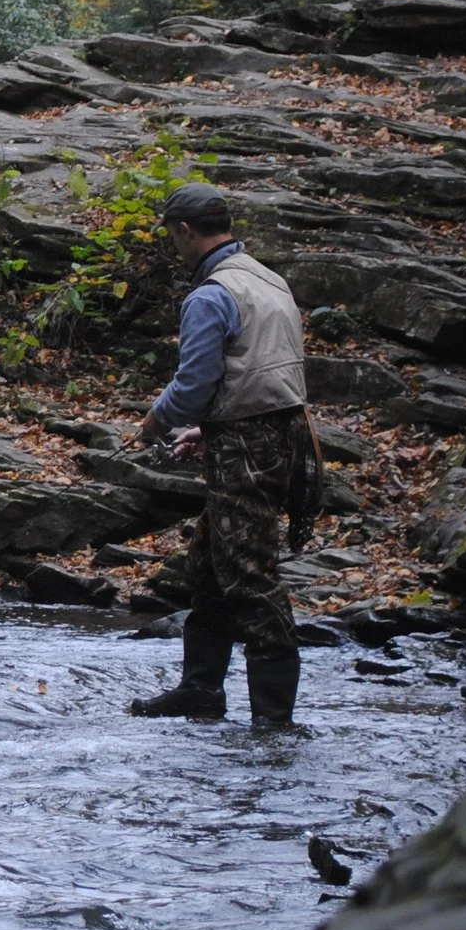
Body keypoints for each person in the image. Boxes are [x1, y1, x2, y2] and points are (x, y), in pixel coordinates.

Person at [129, 182, 317, 730]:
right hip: (276, 434)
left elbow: (193, 384)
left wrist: (156, 419)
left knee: (249, 575)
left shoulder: (211, 294)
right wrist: (208, 434)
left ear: (185, 231)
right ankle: (201, 690)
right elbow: (264, 374)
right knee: (210, 563)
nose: (175, 246)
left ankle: (275, 722)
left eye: (173, 237)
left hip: (247, 448)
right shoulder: (269, 280)